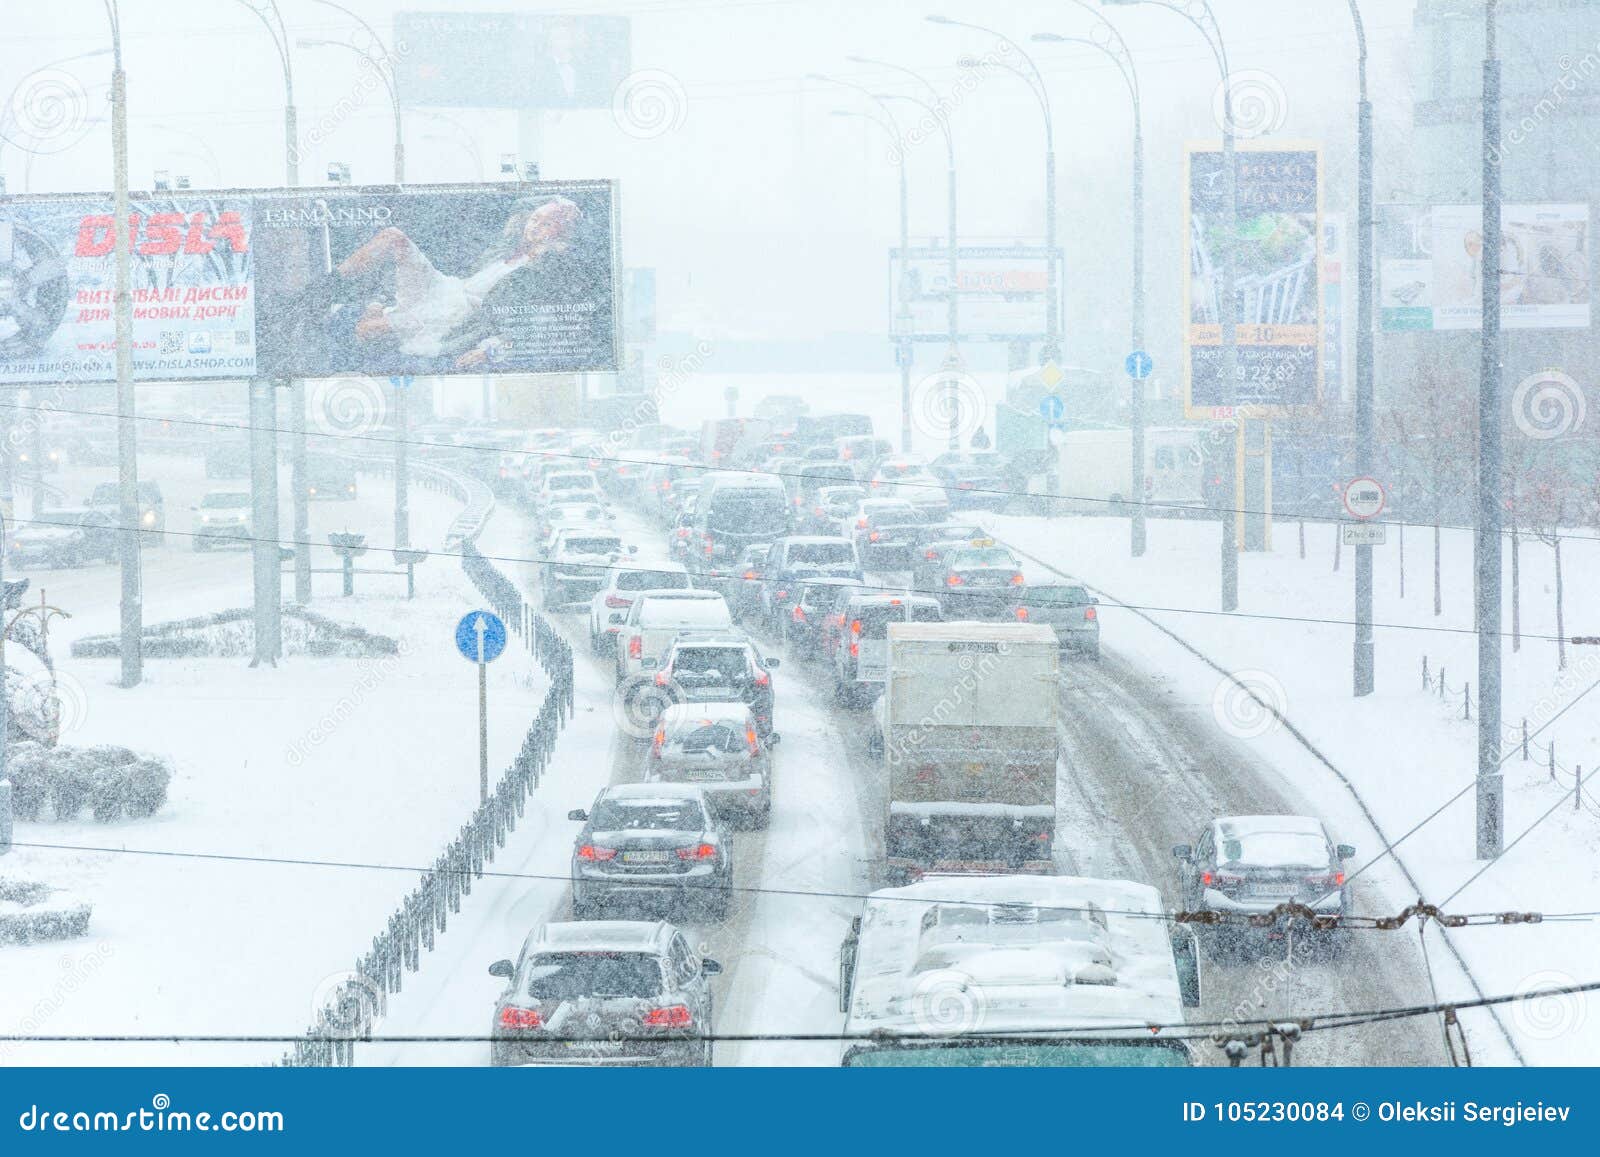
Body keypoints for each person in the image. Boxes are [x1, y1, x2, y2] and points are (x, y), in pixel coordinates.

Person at [329, 196, 585, 370]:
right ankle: (324, 288)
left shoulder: (545, 272)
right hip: (446, 287)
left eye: (547, 223)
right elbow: (521, 204)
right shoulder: (505, 249)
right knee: (393, 237)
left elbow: (531, 327)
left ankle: (350, 339)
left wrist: (487, 351)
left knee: (366, 330)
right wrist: (380, 300)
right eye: (534, 218)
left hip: (456, 313)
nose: (535, 226)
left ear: (562, 232)